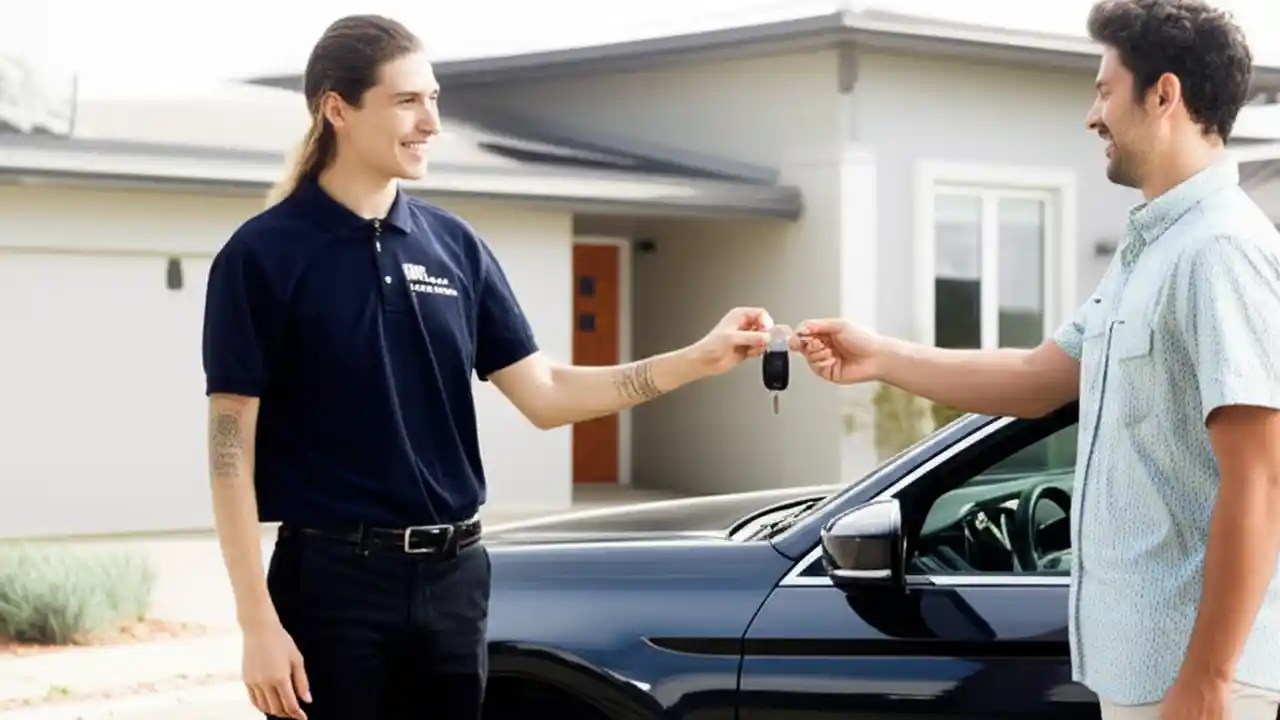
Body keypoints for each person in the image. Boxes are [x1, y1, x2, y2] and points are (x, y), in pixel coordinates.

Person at [201, 14, 774, 720]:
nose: (430, 122)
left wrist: (696, 360)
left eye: (434, 99)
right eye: (407, 100)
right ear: (336, 108)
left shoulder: (455, 247)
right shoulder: (262, 256)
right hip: (331, 588)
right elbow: (231, 451)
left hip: (455, 583)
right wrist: (257, 623)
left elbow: (546, 394)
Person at [792, 1, 1280, 718]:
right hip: (1152, 673)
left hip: (1204, 681)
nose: (1092, 115)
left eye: (1104, 90)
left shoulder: (1219, 252)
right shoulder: (1152, 251)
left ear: (1164, 94)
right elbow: (1036, 379)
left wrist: (1207, 681)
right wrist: (881, 356)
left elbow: (1262, 478)